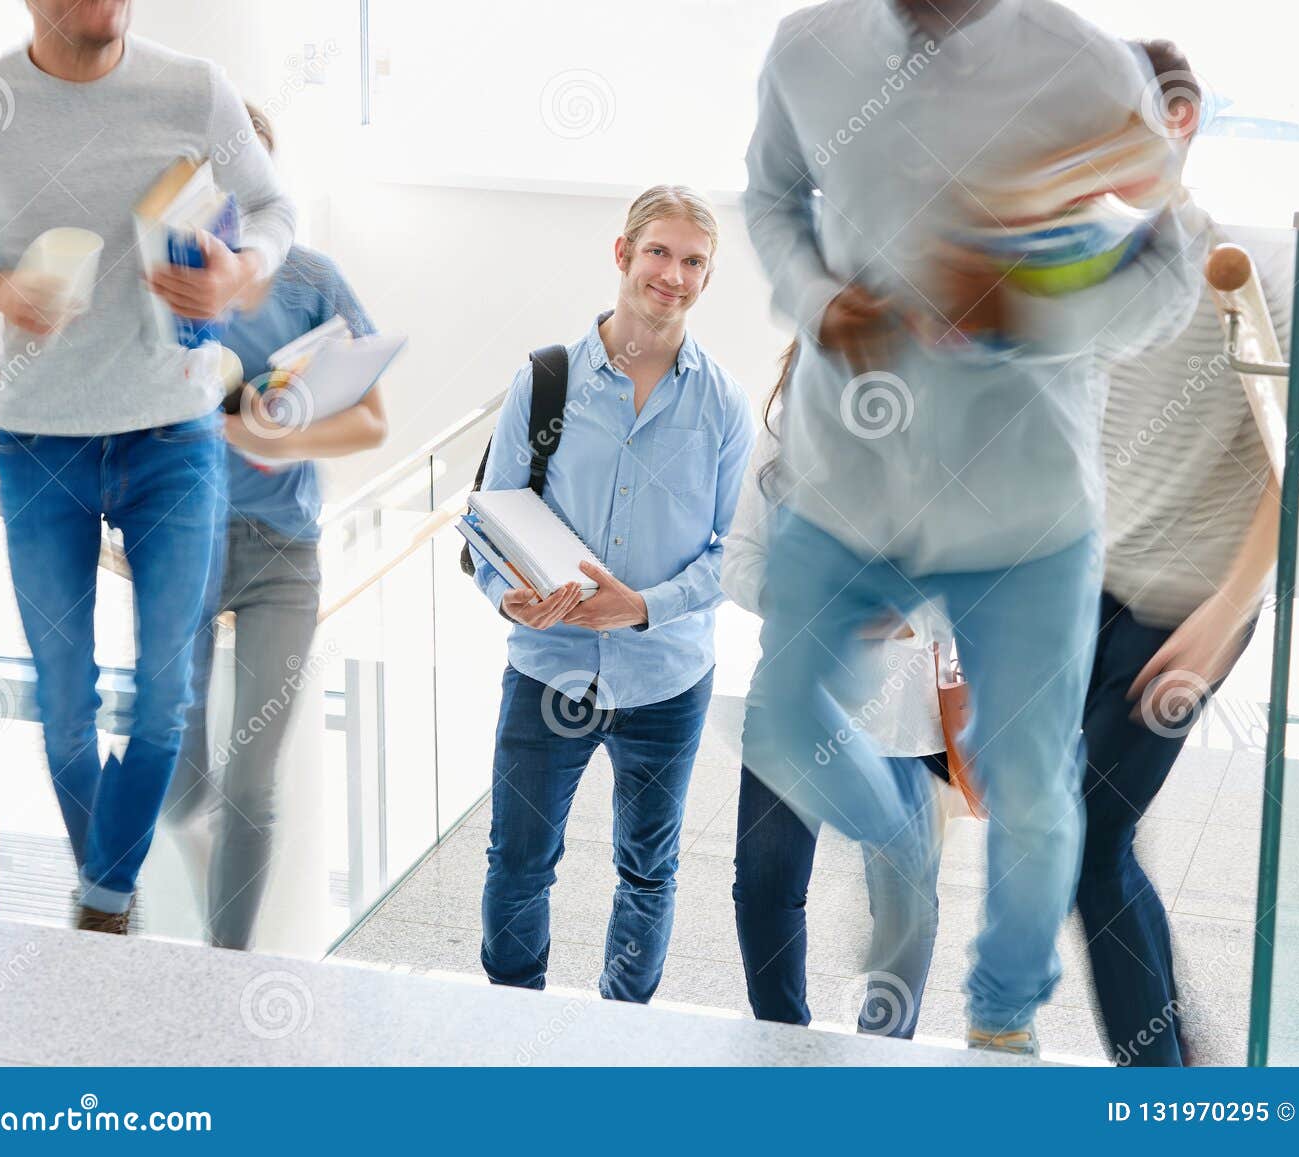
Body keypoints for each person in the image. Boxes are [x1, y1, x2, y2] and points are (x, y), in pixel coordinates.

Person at [740, 0, 1201, 1054]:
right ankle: (902, 832)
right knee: (779, 722)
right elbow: (768, 200)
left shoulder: (1088, 69)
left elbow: (1170, 274)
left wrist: (1026, 317)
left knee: (1028, 784)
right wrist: (817, 301)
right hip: (849, 481)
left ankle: (1002, 1012)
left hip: (1024, 507)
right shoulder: (807, 47)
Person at [0, 0, 295, 933]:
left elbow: (271, 207)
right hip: (39, 440)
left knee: (165, 696)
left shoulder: (194, 89)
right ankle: (112, 888)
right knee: (64, 705)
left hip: (171, 438)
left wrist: (240, 274)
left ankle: (100, 904)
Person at [470, 186, 754, 1002]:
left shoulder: (723, 402)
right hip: (549, 668)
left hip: (665, 677)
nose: (674, 274)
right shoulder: (548, 379)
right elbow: (490, 516)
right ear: (622, 254)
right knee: (519, 859)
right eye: (659, 252)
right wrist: (505, 594)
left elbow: (731, 550)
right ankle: (510, 1014)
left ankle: (622, 1028)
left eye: (694, 261)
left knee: (648, 869)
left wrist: (644, 606)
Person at [1080, 41, 1284, 1066]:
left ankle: (1161, 1087)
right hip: (1097, 594)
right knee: (1085, 846)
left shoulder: (1240, 273)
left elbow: (1292, 478)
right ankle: (1179, 1068)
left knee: (1087, 848)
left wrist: (1223, 617)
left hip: (1187, 611)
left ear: (1180, 120)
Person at [164, 105, 388, 951]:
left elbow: (371, 422)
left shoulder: (310, 279)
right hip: (176, 549)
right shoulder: (154, 285)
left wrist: (275, 434)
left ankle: (229, 970)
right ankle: (189, 854)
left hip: (280, 557)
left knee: (251, 780)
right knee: (177, 782)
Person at [724, 342, 955, 1039]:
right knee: (764, 888)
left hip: (904, 723)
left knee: (904, 909)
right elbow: (738, 559)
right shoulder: (783, 432)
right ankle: (780, 1042)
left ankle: (883, 1059)